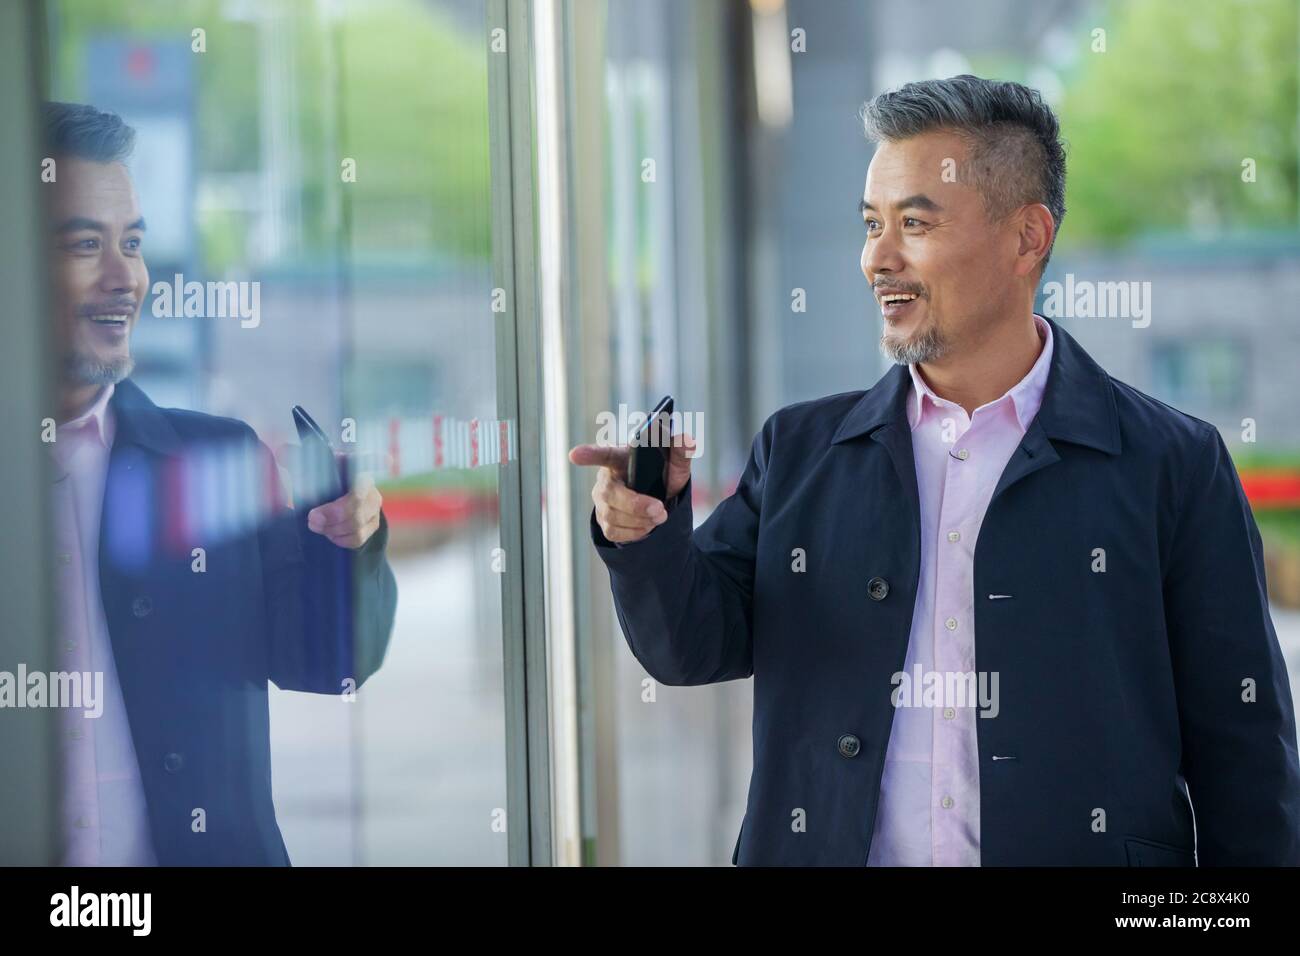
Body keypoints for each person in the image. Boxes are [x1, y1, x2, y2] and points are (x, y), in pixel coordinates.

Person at [570, 75, 1300, 866]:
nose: (877, 259)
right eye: (871, 224)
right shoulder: (803, 450)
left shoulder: (1171, 465)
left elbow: (1245, 759)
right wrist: (646, 534)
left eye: (914, 223)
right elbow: (689, 648)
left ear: (1028, 238)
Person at [42, 101, 397, 865]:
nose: (124, 278)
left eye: (132, 244)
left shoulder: (217, 462)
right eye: (84, 245)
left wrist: (354, 545)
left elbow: (329, 661)